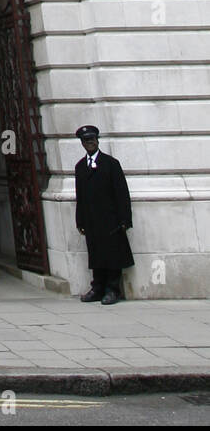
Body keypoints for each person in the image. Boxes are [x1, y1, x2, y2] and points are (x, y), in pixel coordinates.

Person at [74, 124, 133, 305]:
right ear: (82, 144)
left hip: (111, 220)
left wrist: (125, 219)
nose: (89, 143)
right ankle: (97, 287)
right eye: (86, 141)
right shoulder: (80, 167)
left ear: (97, 140)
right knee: (96, 254)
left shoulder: (111, 164)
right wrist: (80, 220)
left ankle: (112, 289)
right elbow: (80, 196)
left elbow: (122, 193)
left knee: (113, 255)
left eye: (92, 139)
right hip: (92, 220)